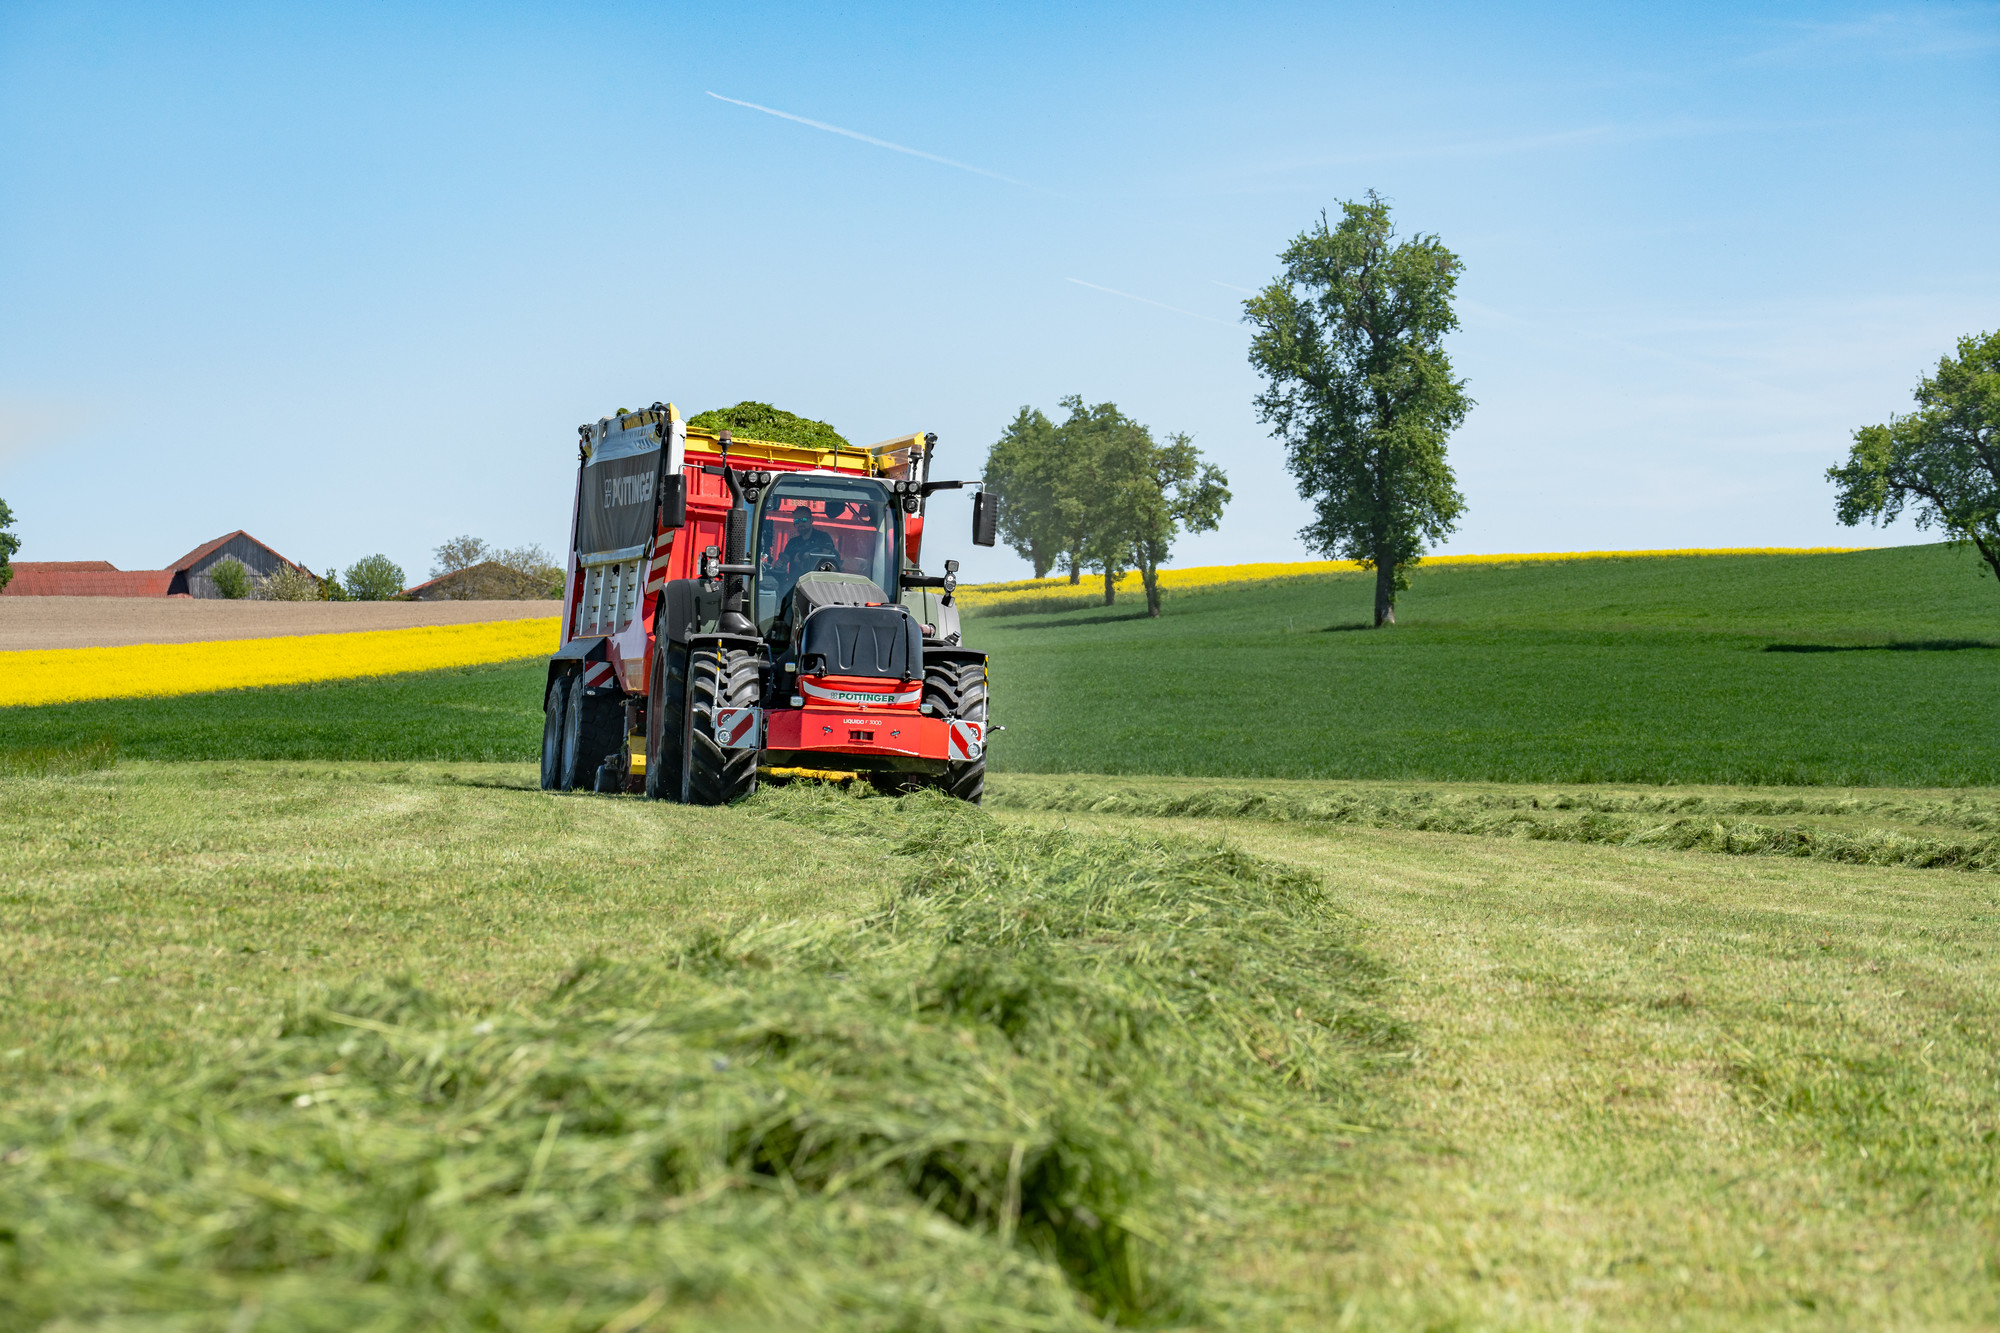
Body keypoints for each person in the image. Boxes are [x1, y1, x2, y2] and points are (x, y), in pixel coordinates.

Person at [770, 503, 842, 582]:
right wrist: (779, 564)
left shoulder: (823, 538)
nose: (800, 524)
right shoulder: (792, 543)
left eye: (803, 520)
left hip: (818, 582)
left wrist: (808, 556)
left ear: (811, 520)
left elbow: (827, 554)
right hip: (794, 586)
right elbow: (784, 560)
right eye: (797, 521)